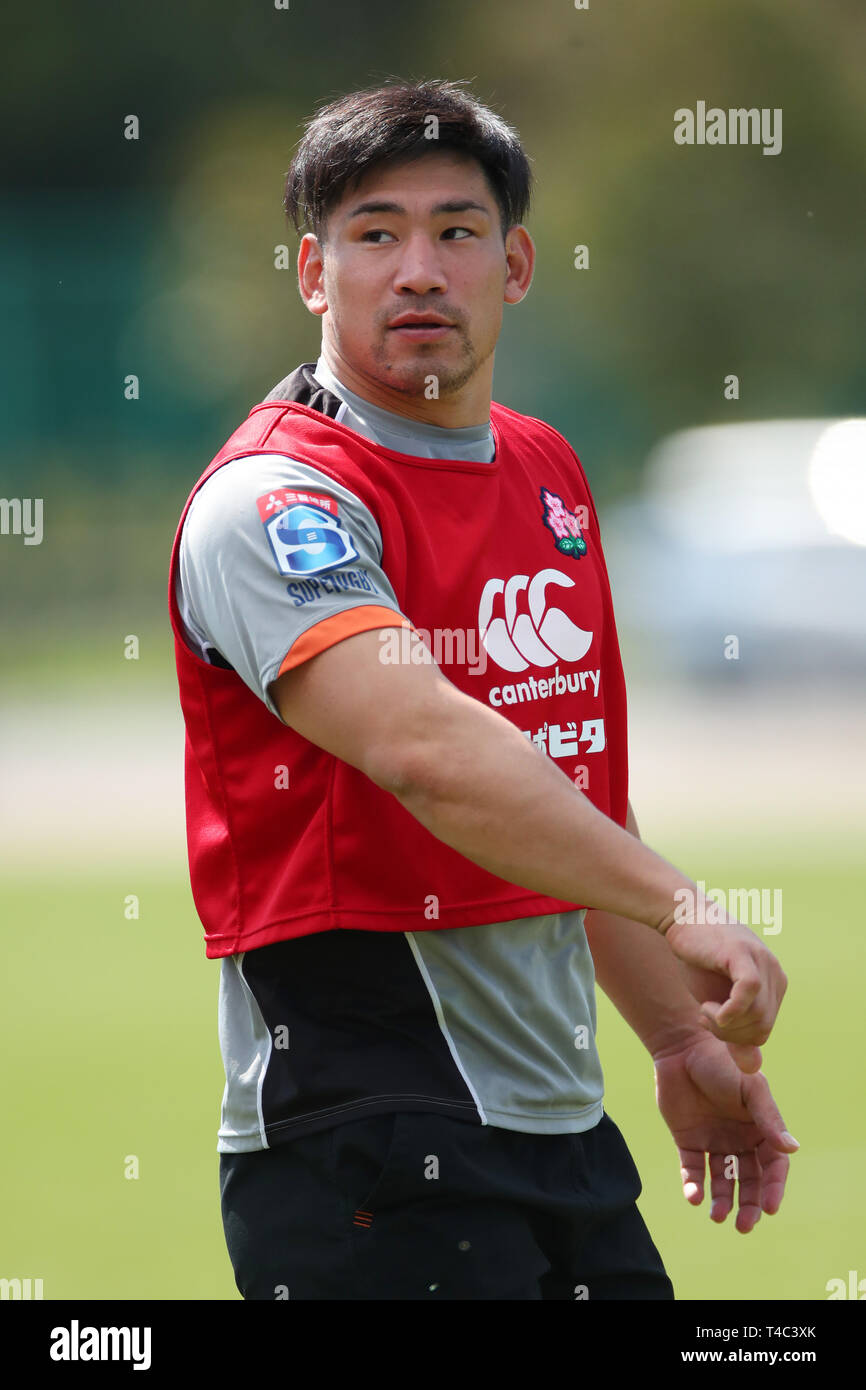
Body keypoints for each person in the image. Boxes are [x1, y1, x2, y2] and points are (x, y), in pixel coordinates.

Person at [167, 78, 797, 1301]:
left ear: (512, 265)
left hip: (560, 1133)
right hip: (363, 1133)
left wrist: (674, 1037)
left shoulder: (544, 472)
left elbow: (566, 811)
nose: (416, 269)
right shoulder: (277, 502)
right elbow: (425, 748)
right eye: (373, 233)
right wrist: (682, 905)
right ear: (312, 271)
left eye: (454, 232)